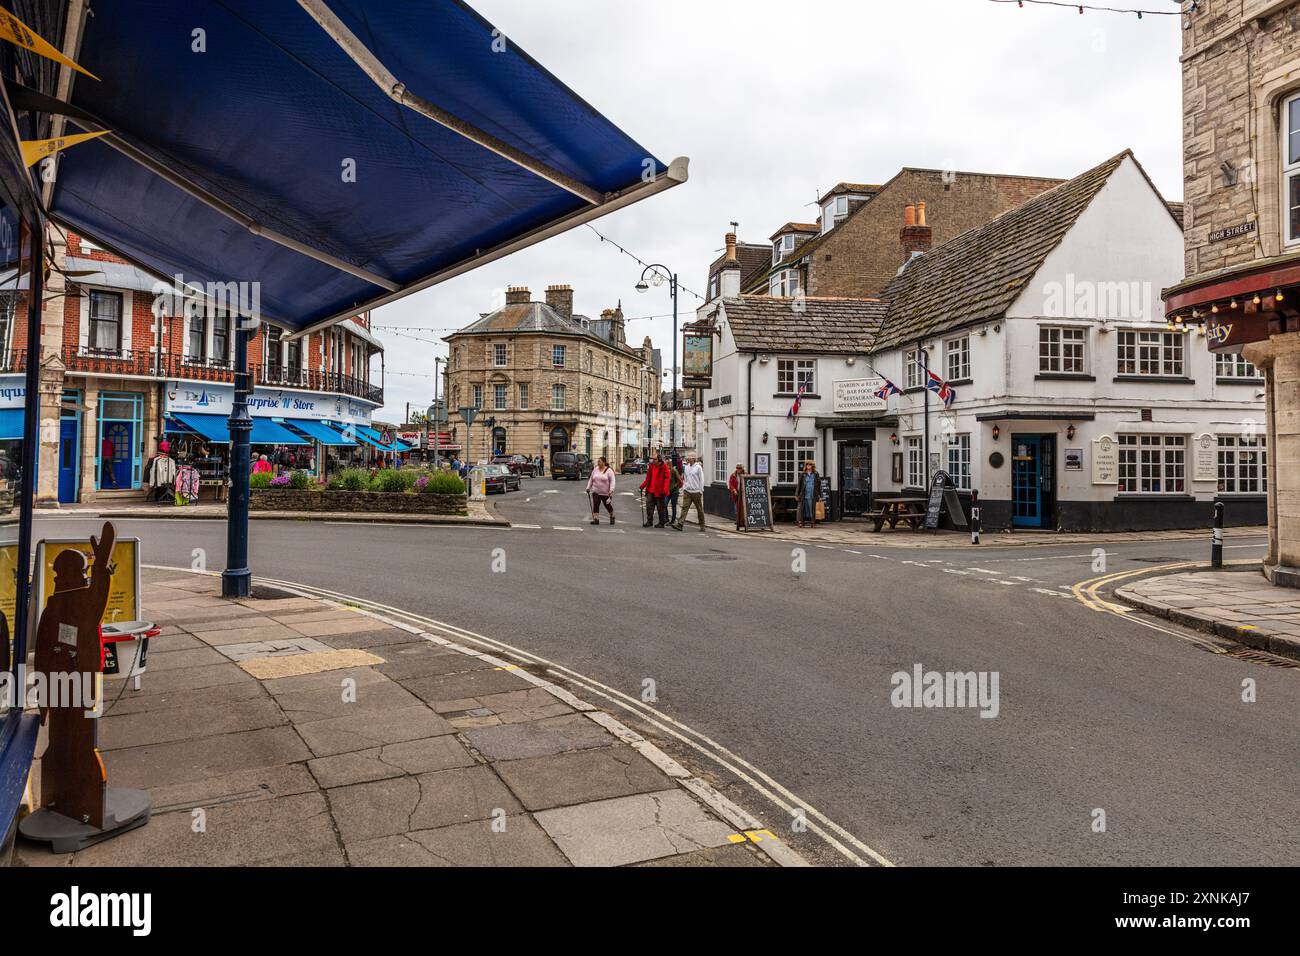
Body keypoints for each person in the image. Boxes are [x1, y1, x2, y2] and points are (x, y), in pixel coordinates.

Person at [672, 453, 707, 533]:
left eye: (690, 457)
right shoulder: (686, 467)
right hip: (687, 491)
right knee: (684, 508)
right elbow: (685, 478)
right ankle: (680, 524)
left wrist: (701, 490)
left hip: (696, 492)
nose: (688, 459)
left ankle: (702, 525)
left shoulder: (698, 467)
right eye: (688, 457)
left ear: (694, 459)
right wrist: (685, 487)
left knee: (699, 509)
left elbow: (701, 479)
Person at [640, 452, 670, 528]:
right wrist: (642, 486)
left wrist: (665, 489)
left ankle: (661, 523)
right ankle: (649, 521)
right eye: (652, 459)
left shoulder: (664, 467)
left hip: (659, 491)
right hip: (651, 490)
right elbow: (648, 478)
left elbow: (667, 478)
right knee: (649, 506)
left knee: (660, 508)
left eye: (655, 459)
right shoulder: (651, 466)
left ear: (659, 459)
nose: (653, 461)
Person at [586, 456, 616, 525]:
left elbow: (612, 481)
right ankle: (596, 519)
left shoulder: (609, 471)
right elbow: (591, 479)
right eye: (598, 461)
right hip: (596, 491)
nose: (598, 463)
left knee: (607, 505)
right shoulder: (595, 469)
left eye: (599, 461)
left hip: (605, 493)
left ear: (604, 463)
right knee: (596, 504)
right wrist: (588, 487)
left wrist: (611, 490)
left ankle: (612, 515)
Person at [796, 459, 822, 528]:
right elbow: (799, 485)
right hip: (804, 494)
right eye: (807, 464)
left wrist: (821, 495)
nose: (808, 466)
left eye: (810, 464)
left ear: (812, 466)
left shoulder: (816, 474)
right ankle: (801, 522)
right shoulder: (803, 474)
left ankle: (812, 522)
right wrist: (797, 494)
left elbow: (819, 485)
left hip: (812, 494)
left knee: (812, 509)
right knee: (802, 509)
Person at [666, 458, 682, 525]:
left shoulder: (674, 471)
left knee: (673, 506)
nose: (665, 466)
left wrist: (675, 486)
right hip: (667, 491)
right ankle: (666, 519)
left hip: (674, 492)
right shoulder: (665, 471)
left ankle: (672, 521)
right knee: (664, 504)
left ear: (669, 465)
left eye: (667, 464)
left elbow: (679, 480)